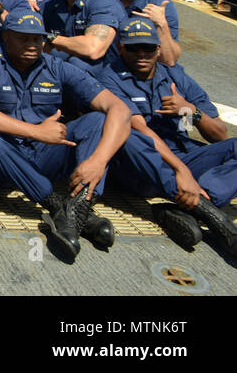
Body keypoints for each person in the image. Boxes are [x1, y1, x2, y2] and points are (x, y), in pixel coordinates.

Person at [0, 12, 131, 260]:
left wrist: (98, 162)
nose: (31, 45)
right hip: (3, 160)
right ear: (6, 37)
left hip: (44, 155)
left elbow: (120, 109)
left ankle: (78, 208)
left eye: (37, 39)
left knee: (98, 120)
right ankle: (56, 205)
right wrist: (37, 132)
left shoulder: (57, 66)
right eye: (23, 38)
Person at [98, 17, 237, 251]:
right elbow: (139, 127)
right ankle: (205, 210)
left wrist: (192, 111)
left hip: (180, 157)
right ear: (121, 48)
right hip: (140, 169)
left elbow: (220, 134)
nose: (141, 54)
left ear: (158, 49)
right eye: (133, 48)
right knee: (130, 134)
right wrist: (182, 171)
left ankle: (195, 204)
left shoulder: (175, 77)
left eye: (148, 48)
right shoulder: (109, 77)